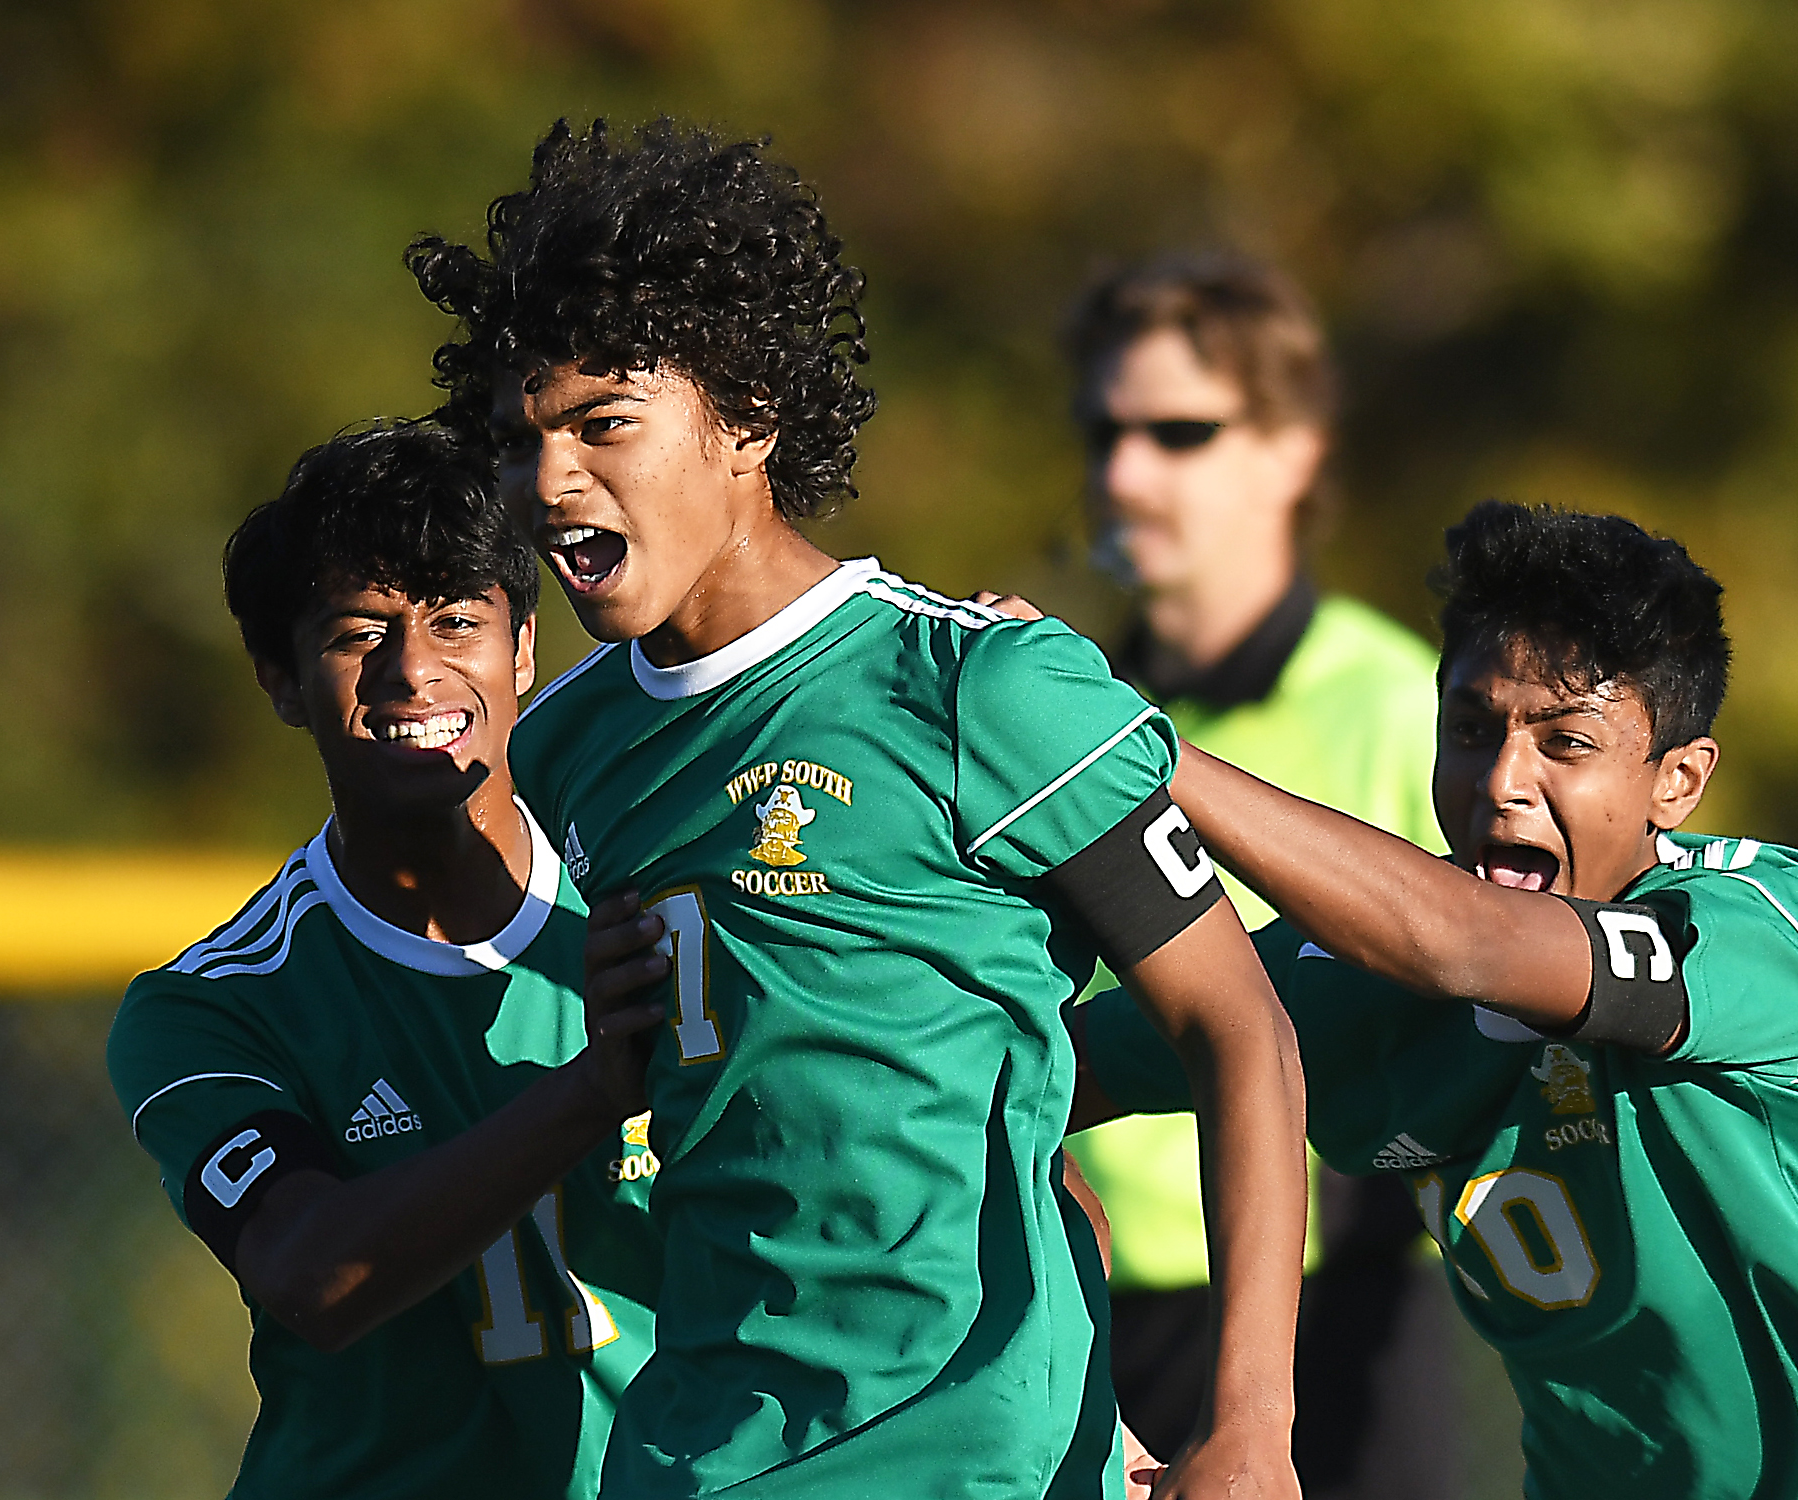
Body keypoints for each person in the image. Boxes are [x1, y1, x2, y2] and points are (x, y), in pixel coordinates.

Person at [408, 117, 1307, 1499]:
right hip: (701, 1457)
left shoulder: (979, 690)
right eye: (519, 437)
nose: (550, 478)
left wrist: (1246, 1422)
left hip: (975, 1469)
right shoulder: (570, 748)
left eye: (604, 423)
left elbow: (1238, 1032)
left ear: (749, 419)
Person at [1077, 500, 1798, 1499]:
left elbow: (1466, 942)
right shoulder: (1351, 977)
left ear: (1677, 781)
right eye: (1470, 729)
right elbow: (1017, 1086)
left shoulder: (1754, 930)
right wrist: (1076, 1405)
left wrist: (1122, 746)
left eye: (1566, 744)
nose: (1502, 780)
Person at [105, 421, 671, 1500]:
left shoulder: (658, 888)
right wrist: (593, 1092)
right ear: (280, 680)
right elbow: (313, 1276)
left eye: (457, 620)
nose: (413, 670)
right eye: (359, 634)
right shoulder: (214, 1007)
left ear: (524, 648)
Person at [1062, 252, 1457, 1496]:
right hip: (1096, 1314)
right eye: (1106, 433)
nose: (1126, 474)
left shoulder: (1405, 708)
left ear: (1295, 452)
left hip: (1347, 1316)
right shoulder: (1050, 716)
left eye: (1181, 433)